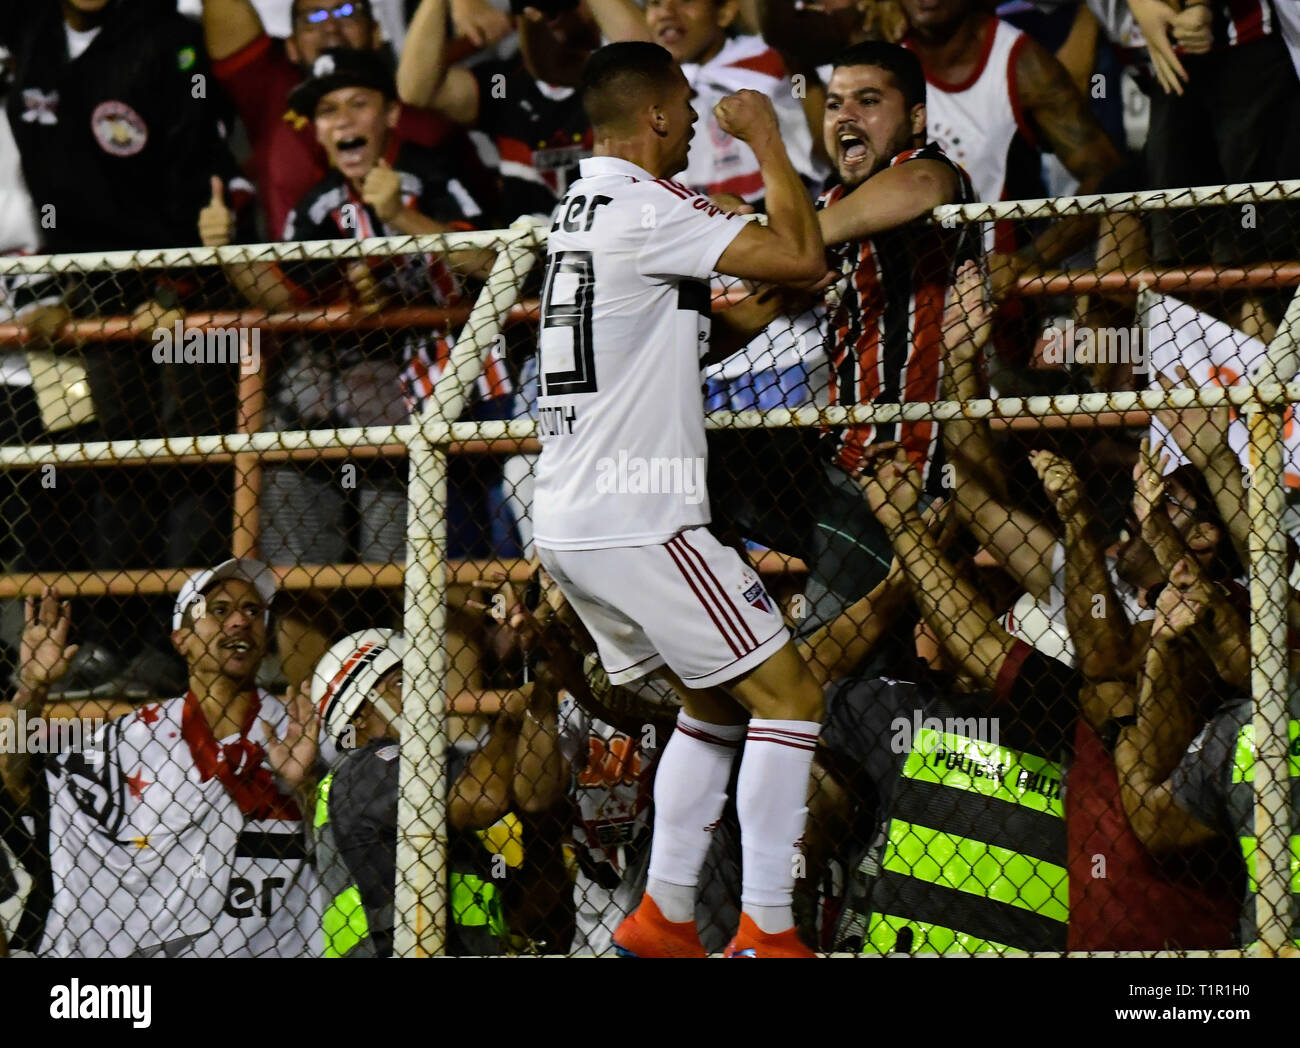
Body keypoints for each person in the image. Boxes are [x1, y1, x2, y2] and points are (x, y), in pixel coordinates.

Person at [532, 41, 832, 958]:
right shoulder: (648, 206)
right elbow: (803, 259)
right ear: (656, 114)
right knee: (790, 696)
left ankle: (663, 918)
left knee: (712, 703)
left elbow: (745, 307)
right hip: (641, 517)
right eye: (689, 112)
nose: (702, 122)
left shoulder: (578, 210)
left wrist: (759, 268)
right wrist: (773, 142)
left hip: (573, 520)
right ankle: (769, 931)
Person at [200, 47, 510, 567]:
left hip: (494, 382)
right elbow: (282, 298)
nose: (342, 120)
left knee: (514, 538)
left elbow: (494, 262)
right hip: (420, 403)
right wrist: (225, 252)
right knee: (458, 567)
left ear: (391, 114)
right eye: (327, 111)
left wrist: (399, 216)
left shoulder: (439, 171)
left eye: (357, 103)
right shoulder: (320, 204)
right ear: (317, 132)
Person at [719, 42, 977, 637]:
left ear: (914, 117)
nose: (845, 117)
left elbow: (917, 191)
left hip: (912, 468)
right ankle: (719, 616)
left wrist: (773, 235)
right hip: (840, 460)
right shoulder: (830, 206)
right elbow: (763, 302)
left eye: (868, 101)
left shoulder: (932, 170)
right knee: (686, 458)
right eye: (834, 104)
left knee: (839, 675)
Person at [0, 563, 321, 957]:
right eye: (218, 611)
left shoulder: (299, 729)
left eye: (254, 612)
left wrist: (302, 785)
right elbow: (17, 777)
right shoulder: (132, 735)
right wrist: (32, 687)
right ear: (181, 638)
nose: (240, 621)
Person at [310, 627, 574, 956]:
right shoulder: (367, 768)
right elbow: (484, 796)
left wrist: (541, 696)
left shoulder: (429, 763)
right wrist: (509, 719)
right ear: (360, 714)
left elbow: (531, 791)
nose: (425, 694)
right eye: (402, 684)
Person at [200, 0, 482, 237]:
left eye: (347, 12)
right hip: (310, 298)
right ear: (292, 46)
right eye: (313, 17)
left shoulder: (421, 99)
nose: (331, 27)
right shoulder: (270, 91)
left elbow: (488, 259)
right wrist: (225, 252)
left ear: (375, 32)